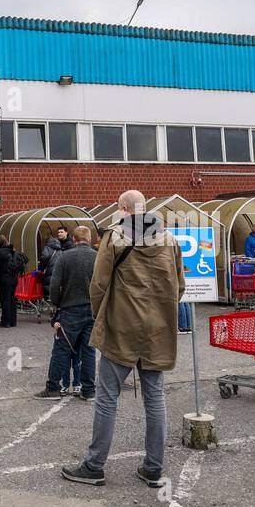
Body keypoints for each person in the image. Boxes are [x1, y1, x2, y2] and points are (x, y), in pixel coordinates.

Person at [61, 191, 184, 487]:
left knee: (107, 398)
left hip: (122, 326)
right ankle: (153, 468)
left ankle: (94, 465)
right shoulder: (168, 239)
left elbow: (98, 284)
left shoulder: (116, 237)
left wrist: (103, 316)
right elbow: (179, 286)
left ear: (124, 209)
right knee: (155, 397)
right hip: (157, 330)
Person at [36, 225, 99, 401]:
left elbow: (54, 285)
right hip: (92, 309)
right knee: (89, 351)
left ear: (74, 239)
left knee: (61, 350)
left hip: (69, 309)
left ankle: (53, 388)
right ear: (90, 239)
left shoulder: (64, 257)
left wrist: (56, 303)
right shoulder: (98, 257)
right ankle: (88, 390)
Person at [0, 235, 24, 329]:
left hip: (4, 279)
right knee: (12, 300)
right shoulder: (13, 251)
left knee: (5, 301)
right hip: (14, 279)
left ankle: (5, 322)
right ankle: (13, 321)